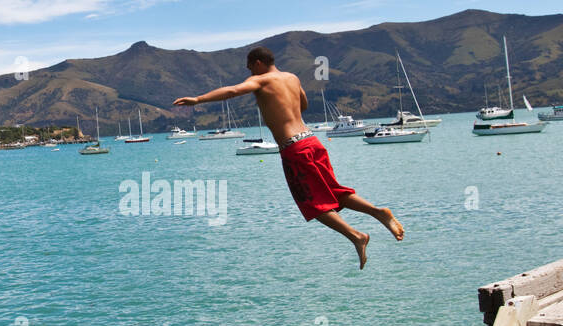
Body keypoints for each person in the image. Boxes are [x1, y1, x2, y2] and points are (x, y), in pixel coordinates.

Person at [173, 47, 404, 269]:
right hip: (312, 142)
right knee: (334, 192)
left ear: (258, 63)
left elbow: (233, 91)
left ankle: (356, 236)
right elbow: (303, 104)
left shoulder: (262, 80)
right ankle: (378, 212)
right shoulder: (292, 78)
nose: (250, 73)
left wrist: (198, 99)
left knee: (312, 203)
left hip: (294, 149)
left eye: (250, 68)